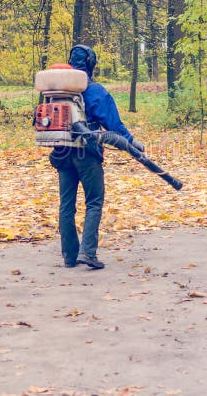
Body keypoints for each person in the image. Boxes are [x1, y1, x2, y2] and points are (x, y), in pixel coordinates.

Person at [49, 44, 142, 270]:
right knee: (94, 201)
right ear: (91, 63)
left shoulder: (56, 90)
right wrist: (132, 143)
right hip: (87, 154)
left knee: (66, 205)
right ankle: (88, 253)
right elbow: (114, 125)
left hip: (61, 152)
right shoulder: (95, 91)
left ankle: (69, 257)